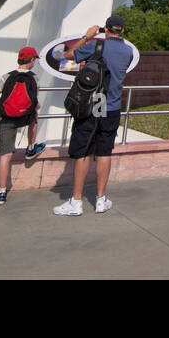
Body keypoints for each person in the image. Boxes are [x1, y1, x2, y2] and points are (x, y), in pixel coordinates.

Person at [53, 15, 133, 216]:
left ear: (105, 29)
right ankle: (100, 199)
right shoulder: (128, 51)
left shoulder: (97, 46)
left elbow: (67, 55)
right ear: (121, 31)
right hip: (112, 107)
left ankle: (76, 201)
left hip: (92, 105)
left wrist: (86, 36)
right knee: (104, 152)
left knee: (83, 152)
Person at [0, 46, 47, 204]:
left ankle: (1, 193)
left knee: (5, 157)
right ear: (32, 60)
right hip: (25, 117)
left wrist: (2, 105)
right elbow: (35, 103)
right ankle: (30, 147)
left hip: (7, 118)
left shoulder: (6, 76)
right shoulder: (34, 78)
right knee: (34, 117)